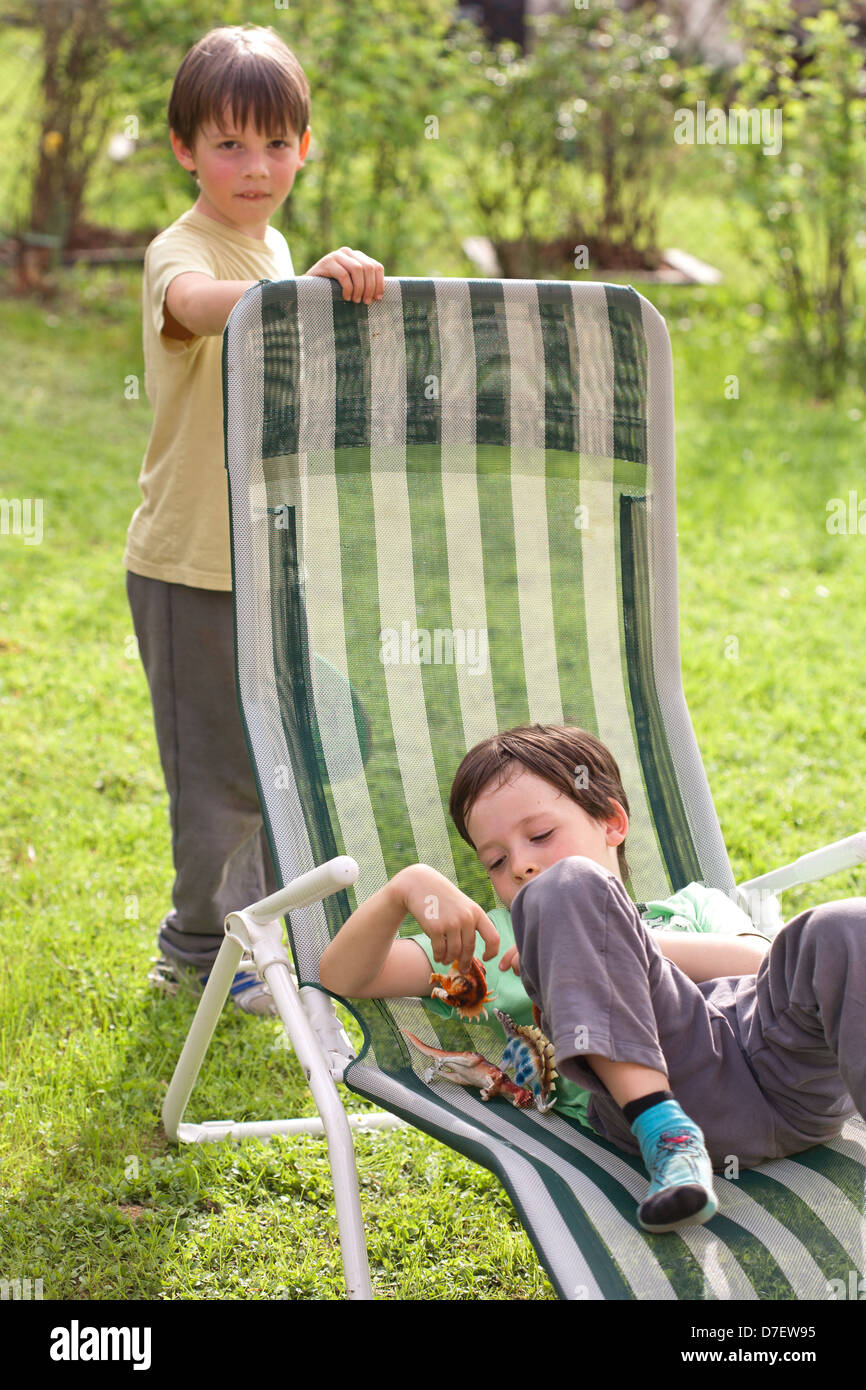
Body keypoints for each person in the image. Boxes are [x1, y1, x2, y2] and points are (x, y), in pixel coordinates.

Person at [319, 723, 866, 1234]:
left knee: (844, 925)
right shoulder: (502, 939)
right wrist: (405, 888)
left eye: (540, 835)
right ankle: (668, 1137)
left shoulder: (691, 905)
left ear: (612, 821)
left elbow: (759, 963)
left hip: (786, 1066)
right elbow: (345, 976)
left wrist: (611, 939)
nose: (521, 867)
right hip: (672, 1093)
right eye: (495, 860)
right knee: (565, 889)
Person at [124, 25, 384, 1015]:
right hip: (189, 565)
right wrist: (294, 293)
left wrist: (321, 282)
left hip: (272, 559)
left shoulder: (273, 243)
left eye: (276, 144)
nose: (255, 166)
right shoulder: (181, 251)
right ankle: (197, 950)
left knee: (288, 745)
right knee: (217, 774)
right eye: (228, 145)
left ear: (304, 149)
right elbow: (194, 305)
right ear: (185, 148)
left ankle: (261, 925)